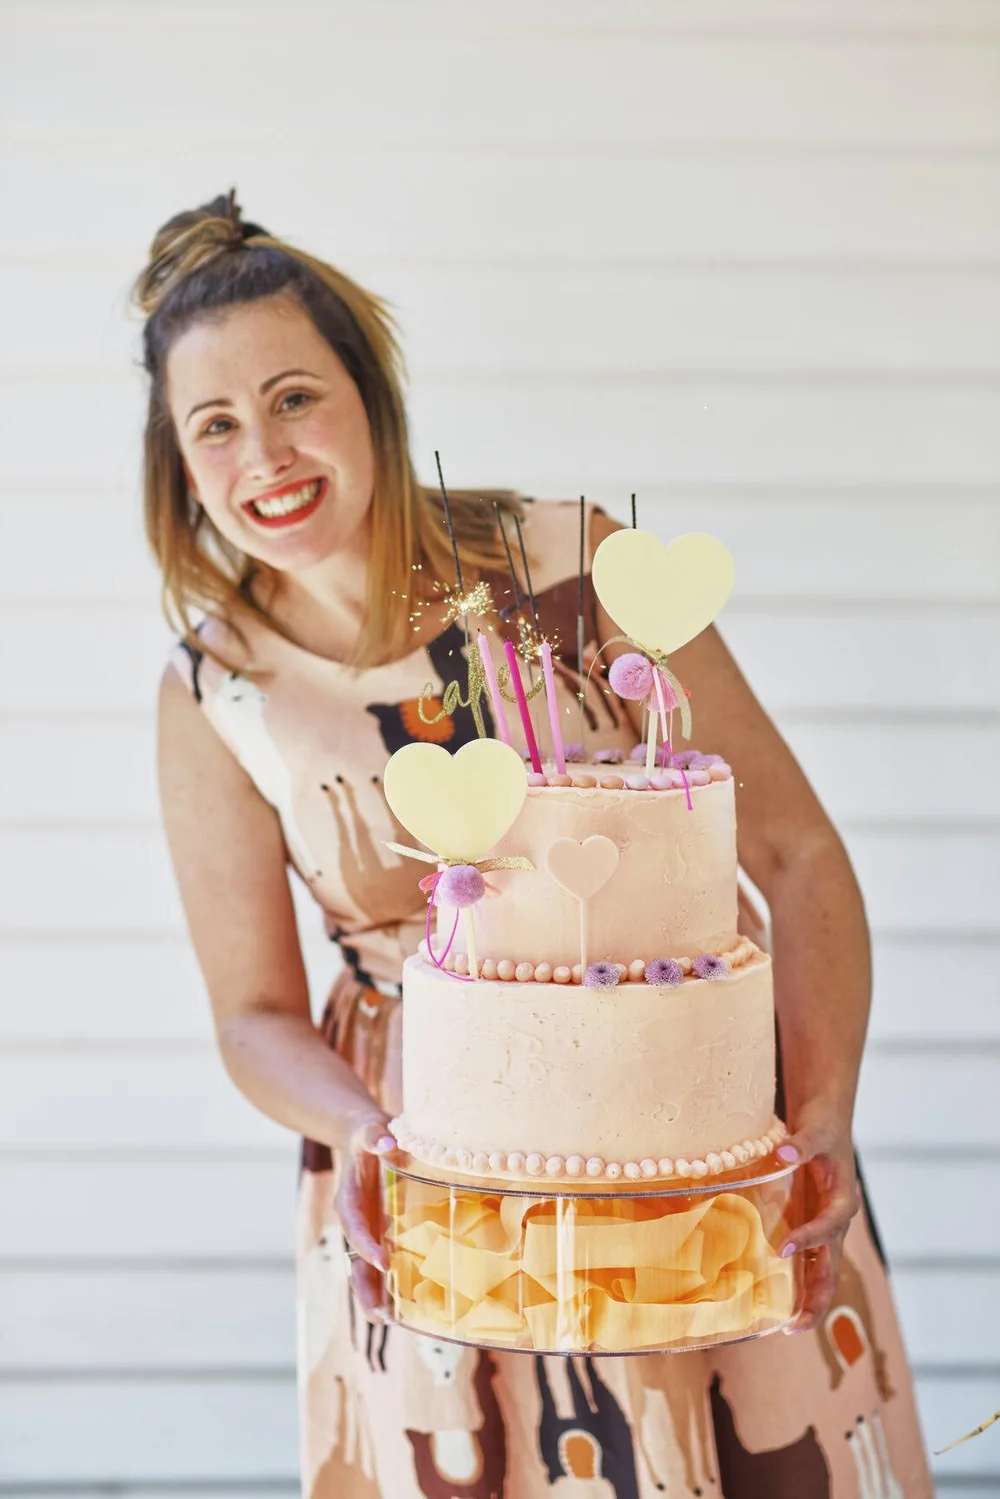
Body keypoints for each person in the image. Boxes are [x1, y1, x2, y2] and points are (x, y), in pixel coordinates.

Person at [143, 192, 932, 1498]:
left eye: (295, 397)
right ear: (179, 465)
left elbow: (793, 853)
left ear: (371, 397)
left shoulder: (569, 566)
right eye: (213, 425)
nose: (262, 453)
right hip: (441, 1186)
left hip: (696, 1140)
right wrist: (375, 1134)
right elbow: (252, 1013)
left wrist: (824, 1117)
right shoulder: (213, 687)